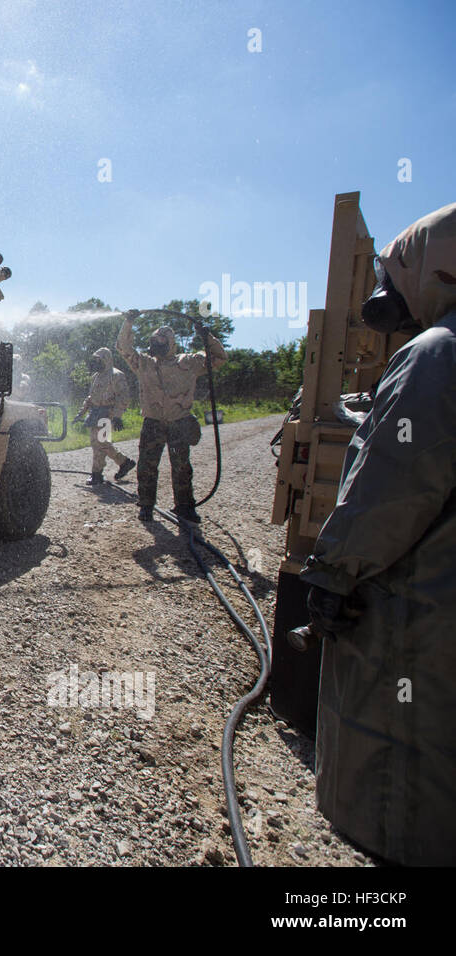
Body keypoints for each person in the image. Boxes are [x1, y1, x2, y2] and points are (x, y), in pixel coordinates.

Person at [300, 202, 456, 866]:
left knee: (399, 789)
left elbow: (395, 481)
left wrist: (332, 572)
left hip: (419, 616)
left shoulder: (438, 351)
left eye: (398, 273)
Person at [116, 317, 225, 523]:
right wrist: (128, 324)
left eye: (161, 340)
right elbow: (123, 347)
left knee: (181, 467)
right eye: (153, 339)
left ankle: (185, 507)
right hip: (153, 423)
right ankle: (146, 506)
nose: (155, 343)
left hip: (179, 423)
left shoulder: (189, 362)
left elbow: (219, 358)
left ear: (171, 343)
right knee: (147, 466)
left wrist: (206, 336)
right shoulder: (144, 363)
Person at [74, 347, 135, 486]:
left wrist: (117, 416)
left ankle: (96, 474)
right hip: (95, 414)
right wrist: (81, 413)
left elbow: (123, 397)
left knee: (100, 444)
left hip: (107, 414)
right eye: (95, 359)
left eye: (98, 359)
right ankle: (124, 462)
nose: (96, 362)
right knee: (100, 443)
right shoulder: (96, 377)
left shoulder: (116, 375)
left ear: (106, 359)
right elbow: (90, 398)